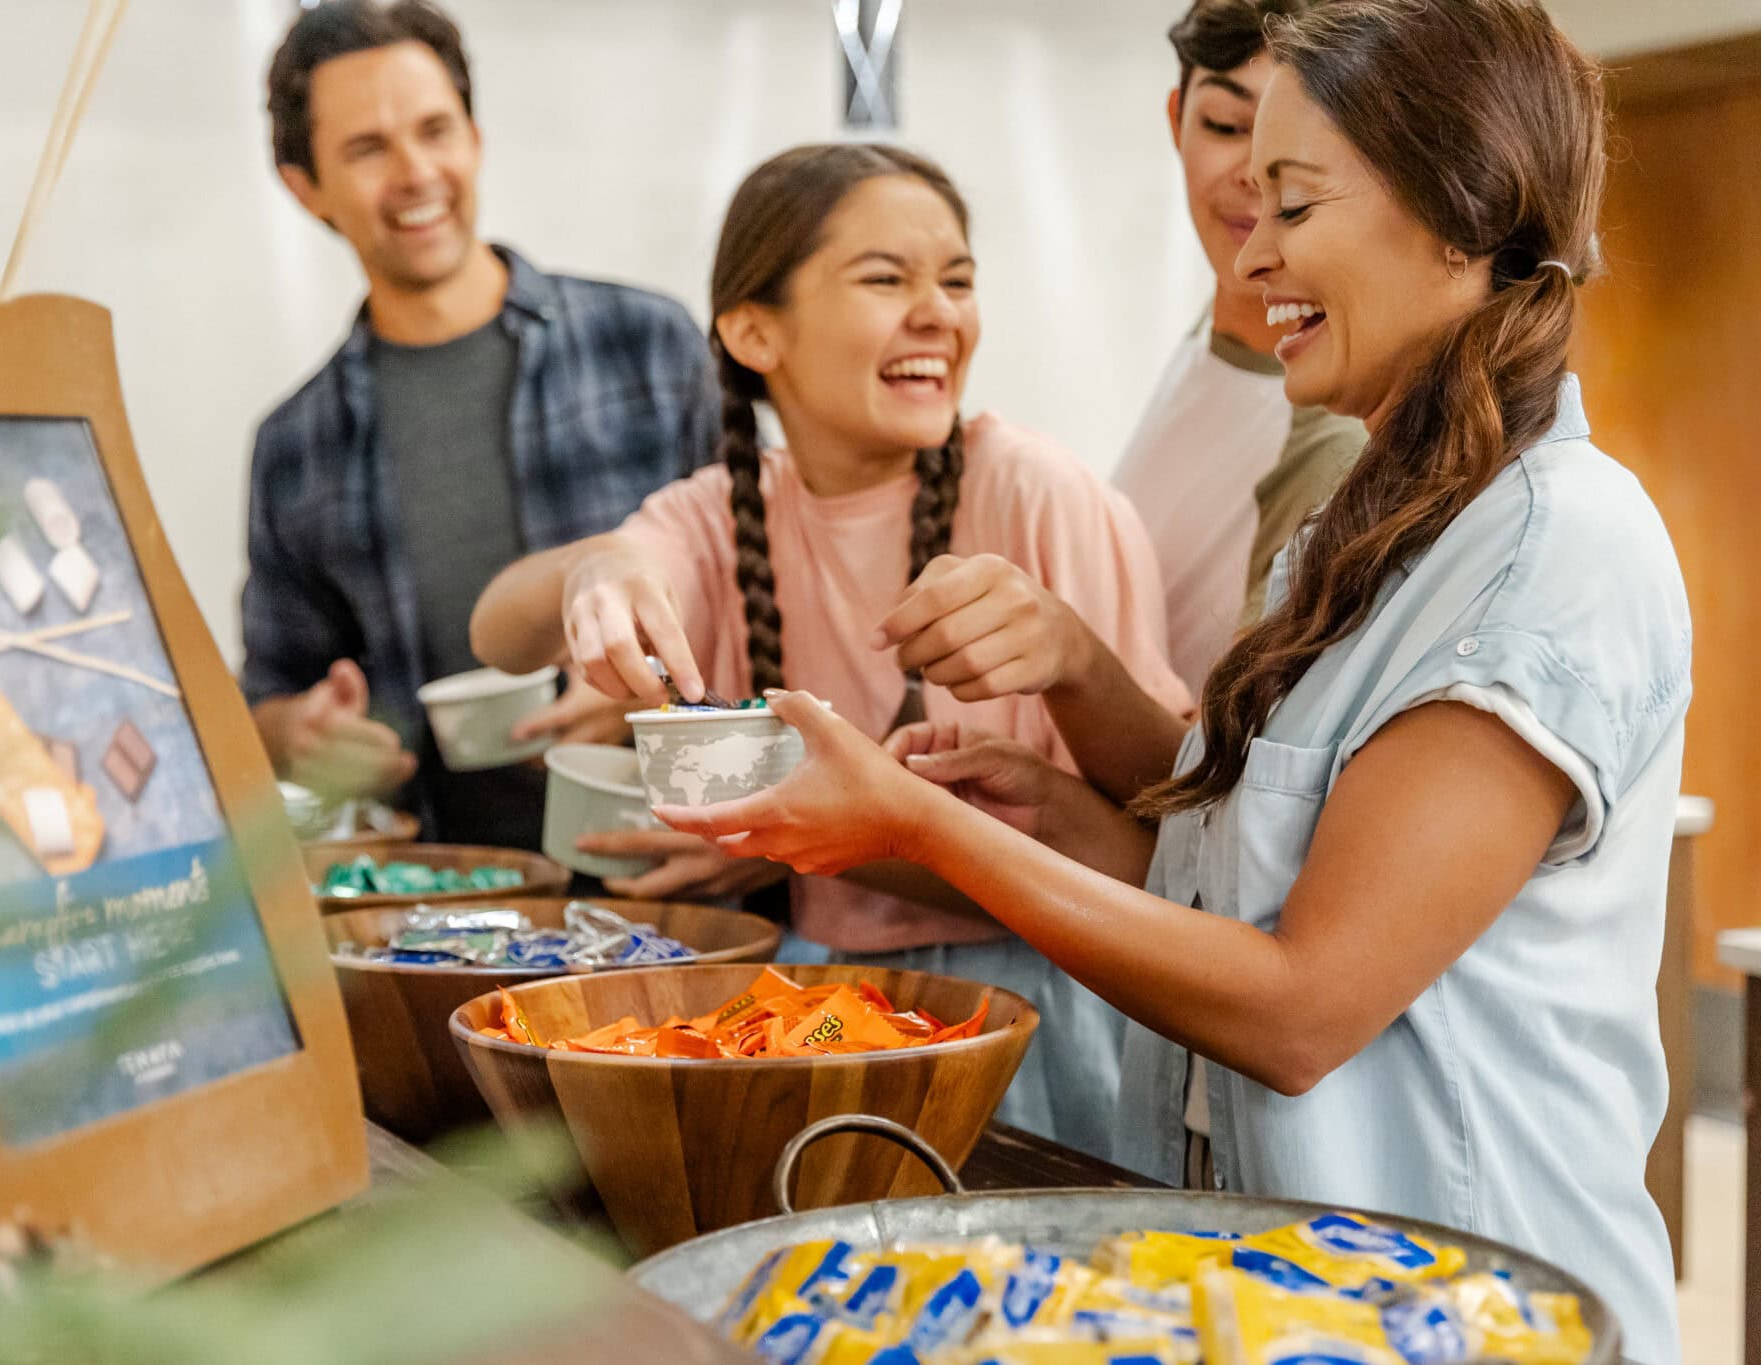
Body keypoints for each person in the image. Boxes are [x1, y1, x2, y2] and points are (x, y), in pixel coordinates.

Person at [655, 3, 1685, 1358]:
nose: (1252, 263)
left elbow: (1302, 1000)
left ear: (1460, 211)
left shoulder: (1557, 548)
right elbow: (1221, 862)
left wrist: (921, 828)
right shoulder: (1354, 526)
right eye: (1247, 205)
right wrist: (1067, 703)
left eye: (1292, 206)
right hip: (1284, 1279)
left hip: (1464, 1301)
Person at [470, 143, 1190, 1152]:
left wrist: (772, 834)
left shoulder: (1035, 493)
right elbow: (498, 628)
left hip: (1057, 1014)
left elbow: (1157, 849)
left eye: (957, 279)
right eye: (884, 278)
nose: (937, 310)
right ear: (753, 330)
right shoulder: (724, 515)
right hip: (819, 1000)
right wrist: (594, 569)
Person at [240, 0, 719, 846]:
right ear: (304, 186)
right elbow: (269, 692)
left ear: (476, 138)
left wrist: (654, 690)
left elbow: (771, 587)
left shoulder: (646, 343)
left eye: (435, 129)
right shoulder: (295, 445)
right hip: (450, 910)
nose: (416, 171)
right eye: (367, 148)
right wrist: (298, 731)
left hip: (684, 872)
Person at [1113, 0, 1366, 689]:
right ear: (1176, 120)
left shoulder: (1335, 426)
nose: (1254, 173)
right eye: (1226, 126)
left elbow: (1230, 770)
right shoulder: (1214, 335)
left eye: (1299, 136)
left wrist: (1071, 661)